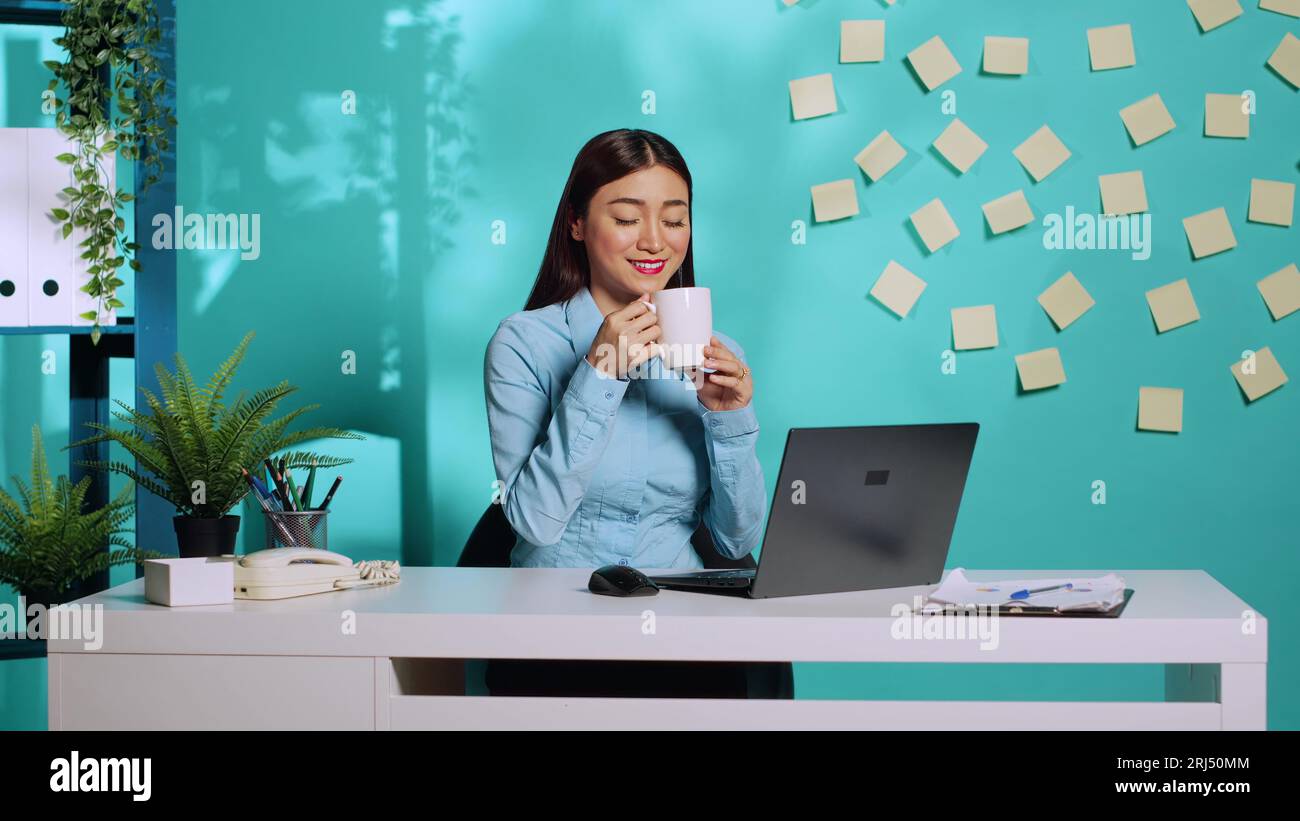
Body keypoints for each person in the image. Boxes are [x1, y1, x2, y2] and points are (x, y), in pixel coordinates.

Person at [481, 128, 789, 699]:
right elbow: (534, 523)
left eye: (674, 220)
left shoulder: (719, 354)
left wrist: (730, 422)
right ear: (576, 223)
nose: (654, 241)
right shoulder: (523, 343)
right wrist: (598, 375)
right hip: (555, 626)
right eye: (627, 218)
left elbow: (736, 539)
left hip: (685, 627)